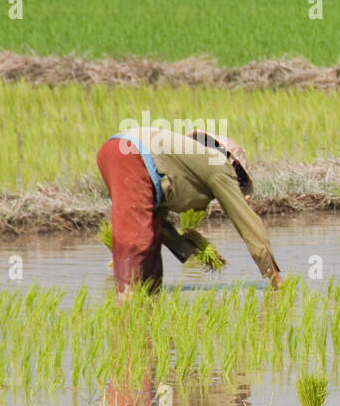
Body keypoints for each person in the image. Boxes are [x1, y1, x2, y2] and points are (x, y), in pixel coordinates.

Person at [97, 126, 282, 297]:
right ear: (231, 161)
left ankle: (148, 300)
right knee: (138, 238)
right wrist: (274, 278)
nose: (237, 181)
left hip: (112, 151)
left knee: (150, 244)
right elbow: (247, 223)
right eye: (239, 177)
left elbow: (158, 222)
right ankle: (126, 301)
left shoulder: (182, 164)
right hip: (131, 156)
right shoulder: (219, 166)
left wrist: (191, 250)